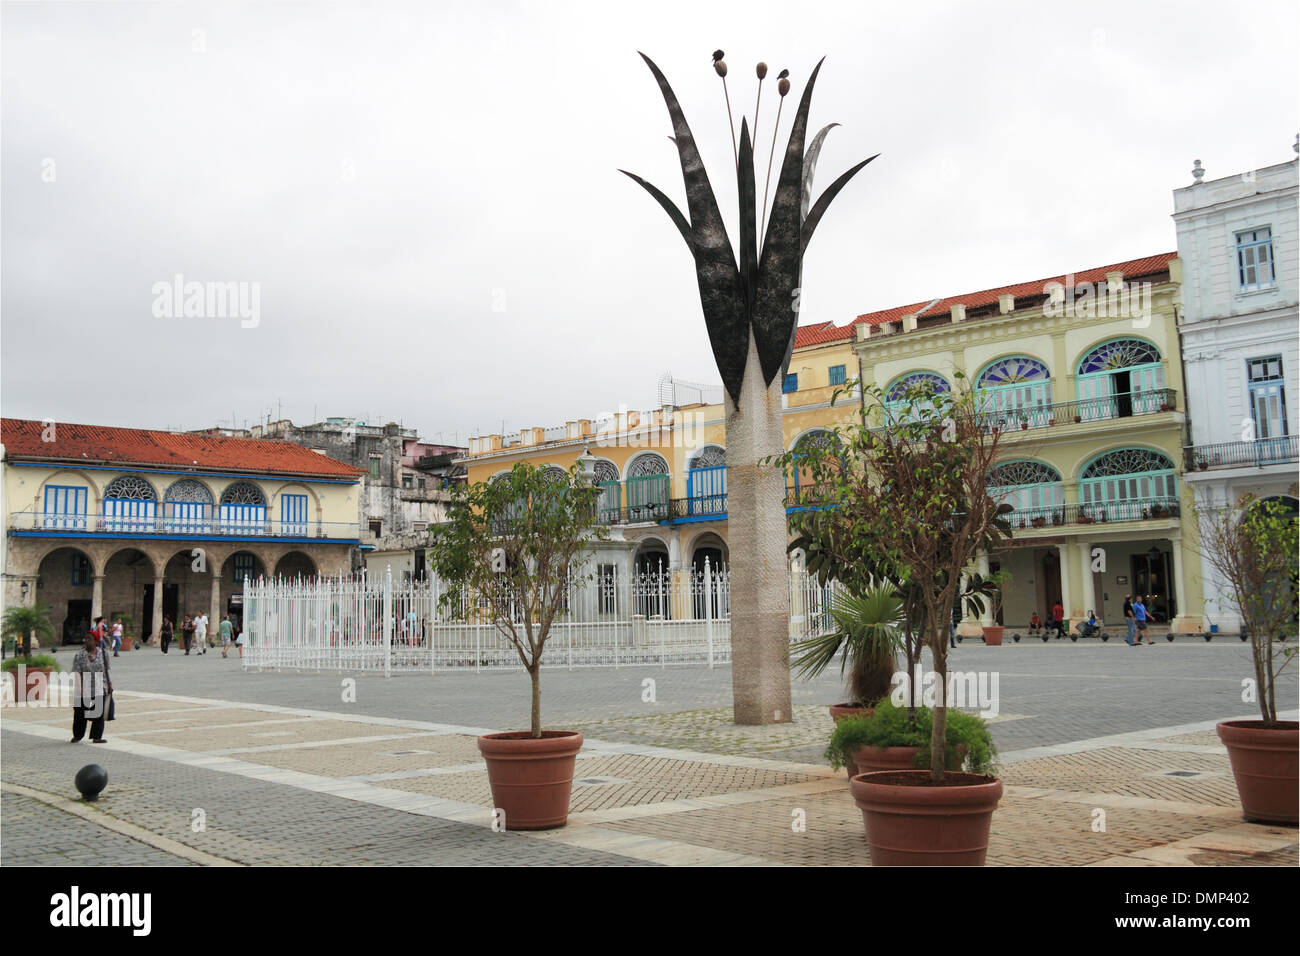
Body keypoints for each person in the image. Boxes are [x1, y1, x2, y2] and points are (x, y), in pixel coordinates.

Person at [71, 631, 111, 743]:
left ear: (96, 641)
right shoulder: (79, 655)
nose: (86, 641)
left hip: (99, 684)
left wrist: (109, 684)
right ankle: (78, 735)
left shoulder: (103, 653)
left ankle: (97, 736)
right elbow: (77, 672)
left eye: (89, 639)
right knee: (80, 713)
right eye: (86, 638)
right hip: (84, 684)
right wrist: (80, 688)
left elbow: (106, 670)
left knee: (98, 712)